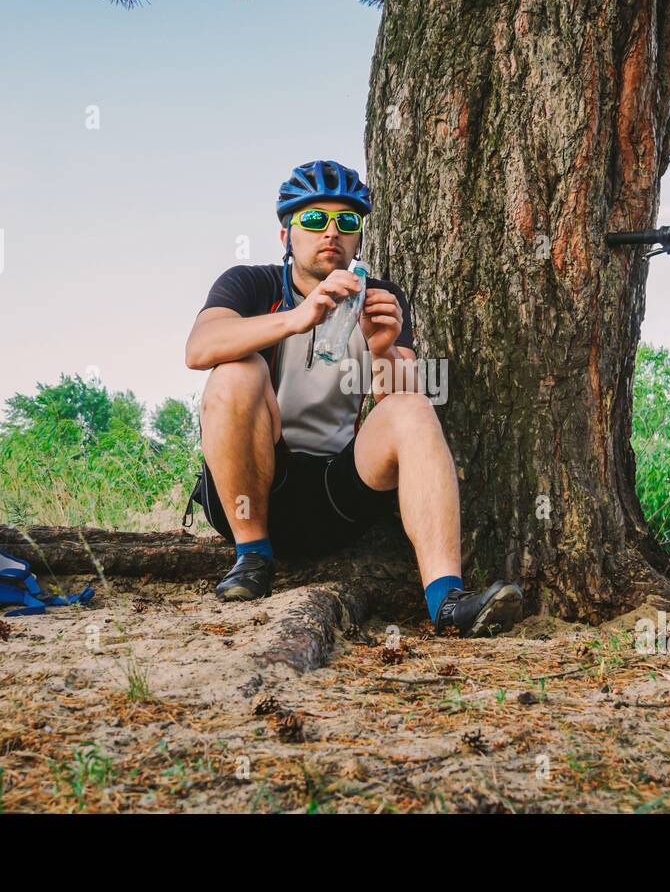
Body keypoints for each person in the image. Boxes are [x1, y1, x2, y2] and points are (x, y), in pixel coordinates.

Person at [182, 159, 523, 637]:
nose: (331, 233)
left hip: (333, 496)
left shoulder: (377, 295)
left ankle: (447, 600)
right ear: (287, 237)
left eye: (346, 222)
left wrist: (382, 347)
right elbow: (199, 350)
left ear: (358, 238)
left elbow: (404, 402)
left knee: (411, 406)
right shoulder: (250, 284)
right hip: (250, 492)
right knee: (238, 369)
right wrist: (297, 318)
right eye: (315, 220)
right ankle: (252, 559)